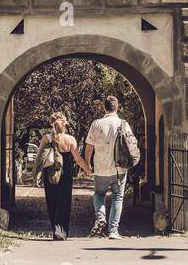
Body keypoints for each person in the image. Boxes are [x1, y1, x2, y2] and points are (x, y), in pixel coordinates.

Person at [83, 94, 140, 240]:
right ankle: (113, 231)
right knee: (118, 197)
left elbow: (89, 147)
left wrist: (87, 164)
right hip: (119, 167)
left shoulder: (96, 124)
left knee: (99, 194)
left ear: (104, 107)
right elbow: (131, 144)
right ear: (117, 107)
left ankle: (101, 217)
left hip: (101, 167)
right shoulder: (123, 124)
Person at [31, 112, 88, 240]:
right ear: (65, 123)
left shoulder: (46, 138)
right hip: (66, 173)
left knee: (52, 200)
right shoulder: (71, 139)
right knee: (64, 201)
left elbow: (39, 157)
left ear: (52, 123)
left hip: (50, 172)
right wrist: (87, 169)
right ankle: (63, 232)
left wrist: (36, 175)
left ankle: (55, 229)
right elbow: (78, 159)